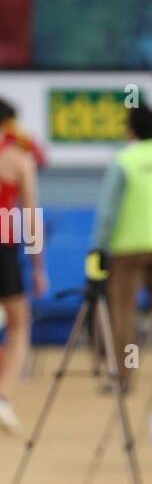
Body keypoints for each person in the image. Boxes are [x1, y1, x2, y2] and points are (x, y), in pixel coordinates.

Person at [92, 103, 152, 392]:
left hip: (127, 249)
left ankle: (123, 378)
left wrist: (98, 247)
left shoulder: (124, 161)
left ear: (130, 129)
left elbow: (108, 211)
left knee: (124, 316)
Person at [0, 100, 48, 434]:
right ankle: (2, 396)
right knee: (18, 325)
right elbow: (31, 217)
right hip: (2, 245)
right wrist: (38, 267)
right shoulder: (18, 159)